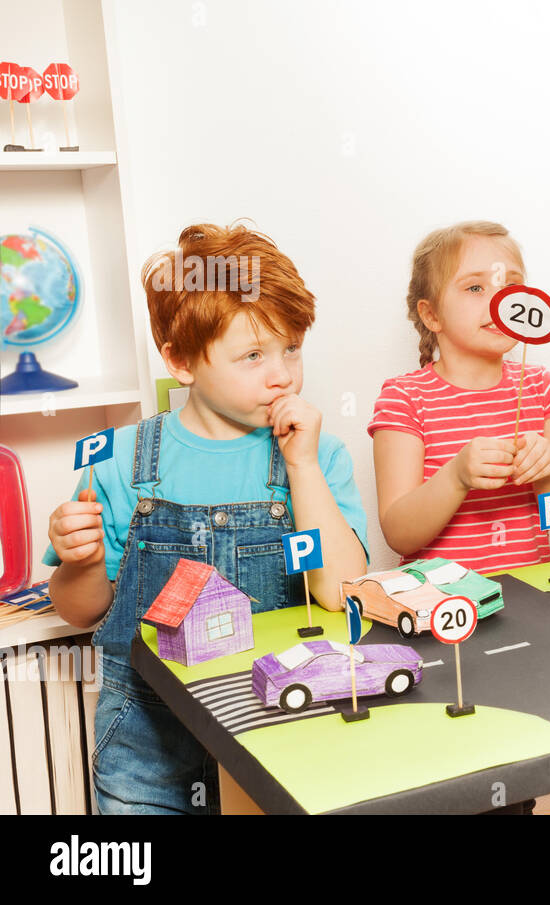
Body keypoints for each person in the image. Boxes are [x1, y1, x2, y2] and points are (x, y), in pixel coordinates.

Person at [45, 222, 370, 814]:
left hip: (281, 723)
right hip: (147, 736)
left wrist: (301, 468)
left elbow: (339, 591)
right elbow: (82, 609)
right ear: (181, 360)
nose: (283, 375)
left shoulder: (318, 456)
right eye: (253, 356)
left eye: (291, 348)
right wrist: (80, 561)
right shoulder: (119, 460)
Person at [369, 221, 550, 574]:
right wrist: (456, 476)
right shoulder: (405, 398)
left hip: (535, 602)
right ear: (431, 314)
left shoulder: (541, 388)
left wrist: (548, 475)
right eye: (475, 287)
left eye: (511, 285)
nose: (501, 300)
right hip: (442, 602)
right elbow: (399, 534)